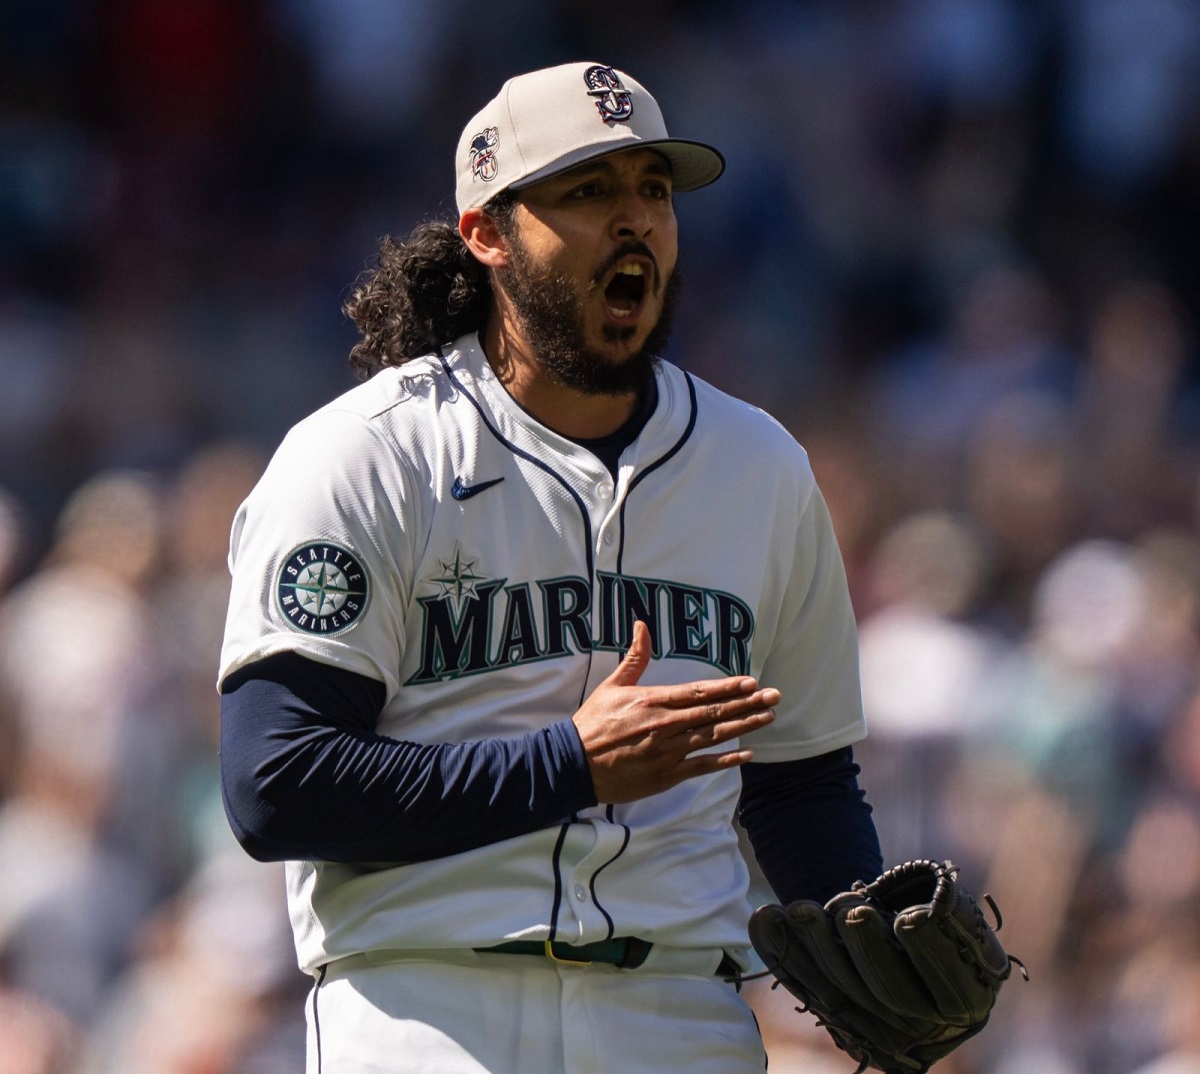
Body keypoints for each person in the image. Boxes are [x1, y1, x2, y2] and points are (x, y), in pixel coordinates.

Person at [218, 61, 883, 1074]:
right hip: (425, 1007)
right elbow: (278, 782)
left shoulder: (761, 471)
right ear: (487, 231)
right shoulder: (366, 455)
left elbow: (801, 785)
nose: (636, 222)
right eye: (587, 191)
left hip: (680, 1018)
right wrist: (564, 765)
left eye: (653, 190)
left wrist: (866, 943)